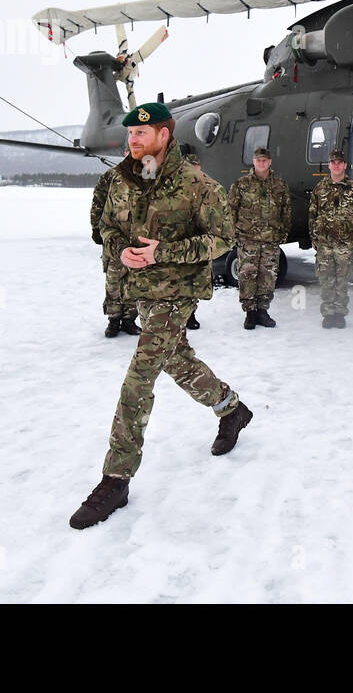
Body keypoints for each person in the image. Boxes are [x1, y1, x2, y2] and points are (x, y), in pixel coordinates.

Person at [72, 102, 252, 529]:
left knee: (140, 375)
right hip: (142, 292)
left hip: (179, 292)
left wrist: (164, 252)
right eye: (130, 133)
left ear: (164, 135)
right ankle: (231, 409)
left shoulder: (198, 185)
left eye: (141, 133)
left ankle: (115, 479)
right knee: (176, 361)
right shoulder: (120, 181)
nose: (132, 140)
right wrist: (121, 250)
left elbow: (223, 240)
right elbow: (106, 228)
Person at [228, 145, 291, 330]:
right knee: (247, 276)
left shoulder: (279, 185)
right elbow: (231, 210)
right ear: (253, 162)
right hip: (248, 240)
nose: (261, 163)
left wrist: (284, 232)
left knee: (268, 276)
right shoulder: (241, 184)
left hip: (271, 239)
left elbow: (286, 211)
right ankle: (250, 312)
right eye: (258, 160)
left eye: (264, 160)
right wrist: (233, 234)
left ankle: (262, 311)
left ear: (270, 162)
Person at [308, 148, 353, 328]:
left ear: (345, 165)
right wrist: (315, 239)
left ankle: (340, 313)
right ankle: (328, 313)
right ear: (329, 165)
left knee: (342, 281)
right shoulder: (320, 188)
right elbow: (312, 215)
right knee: (326, 280)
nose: (336, 165)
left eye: (339, 162)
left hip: (345, 244)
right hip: (325, 244)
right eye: (333, 162)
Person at [91, 149, 141, 338]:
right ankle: (113, 320)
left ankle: (129, 319)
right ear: (124, 152)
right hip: (114, 238)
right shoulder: (111, 176)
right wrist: (97, 229)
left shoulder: (146, 175)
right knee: (113, 280)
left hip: (136, 240)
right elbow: (98, 203)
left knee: (133, 281)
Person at [177, 142, 209, 330]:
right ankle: (178, 316)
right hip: (180, 241)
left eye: (197, 167)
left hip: (198, 242)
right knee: (179, 279)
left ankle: (191, 315)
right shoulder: (175, 189)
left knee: (195, 281)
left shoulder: (205, 188)